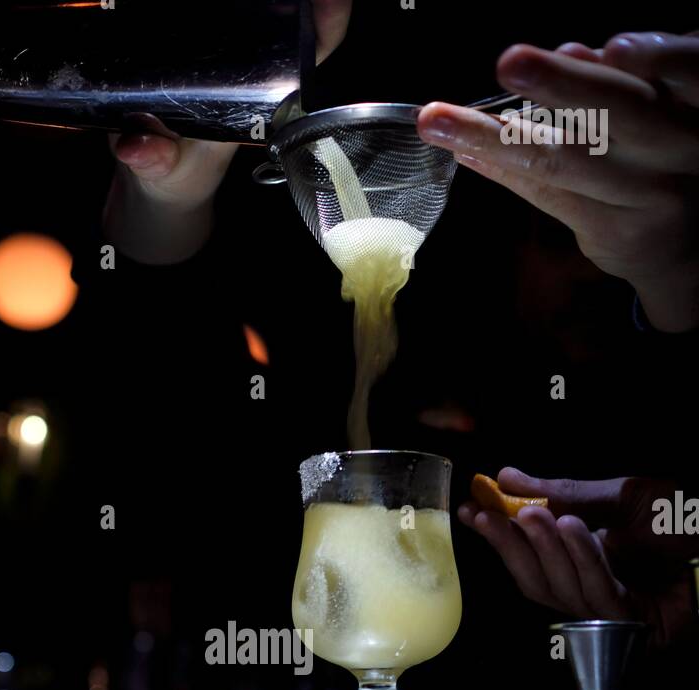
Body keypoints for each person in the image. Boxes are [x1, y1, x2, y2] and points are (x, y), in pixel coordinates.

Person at [104, 26, 698, 642]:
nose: (588, 272)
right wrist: (167, 205)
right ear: (516, 253)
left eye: (608, 263)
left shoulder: (644, 400)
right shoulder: (410, 362)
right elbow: (155, 346)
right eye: (558, 241)